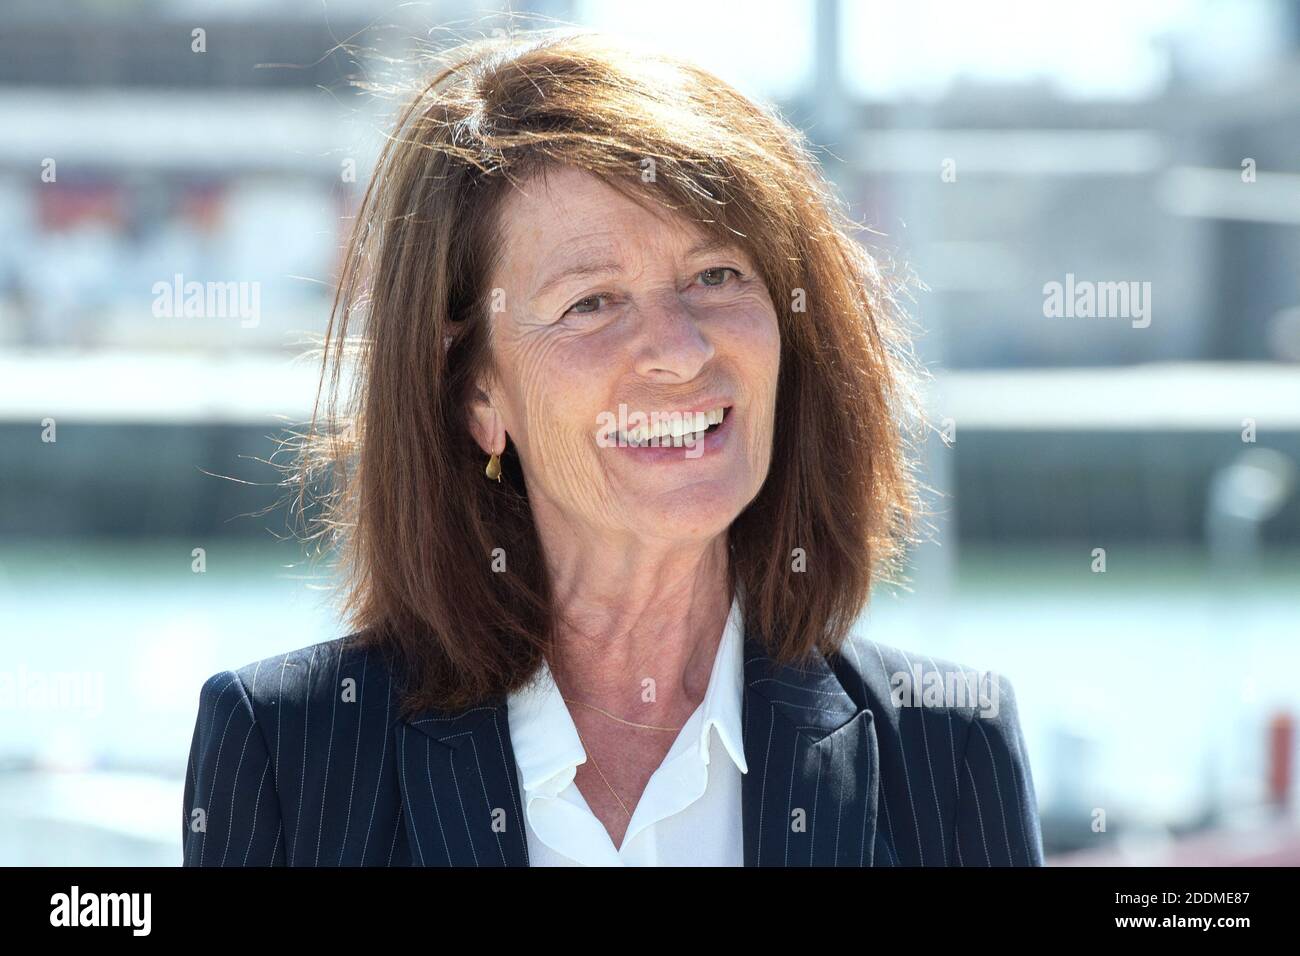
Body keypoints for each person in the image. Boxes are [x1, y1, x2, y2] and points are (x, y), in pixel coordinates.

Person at [182, 29, 1043, 867]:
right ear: (478, 392)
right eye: (592, 302)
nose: (681, 349)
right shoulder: (288, 753)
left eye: (717, 276)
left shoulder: (951, 752)